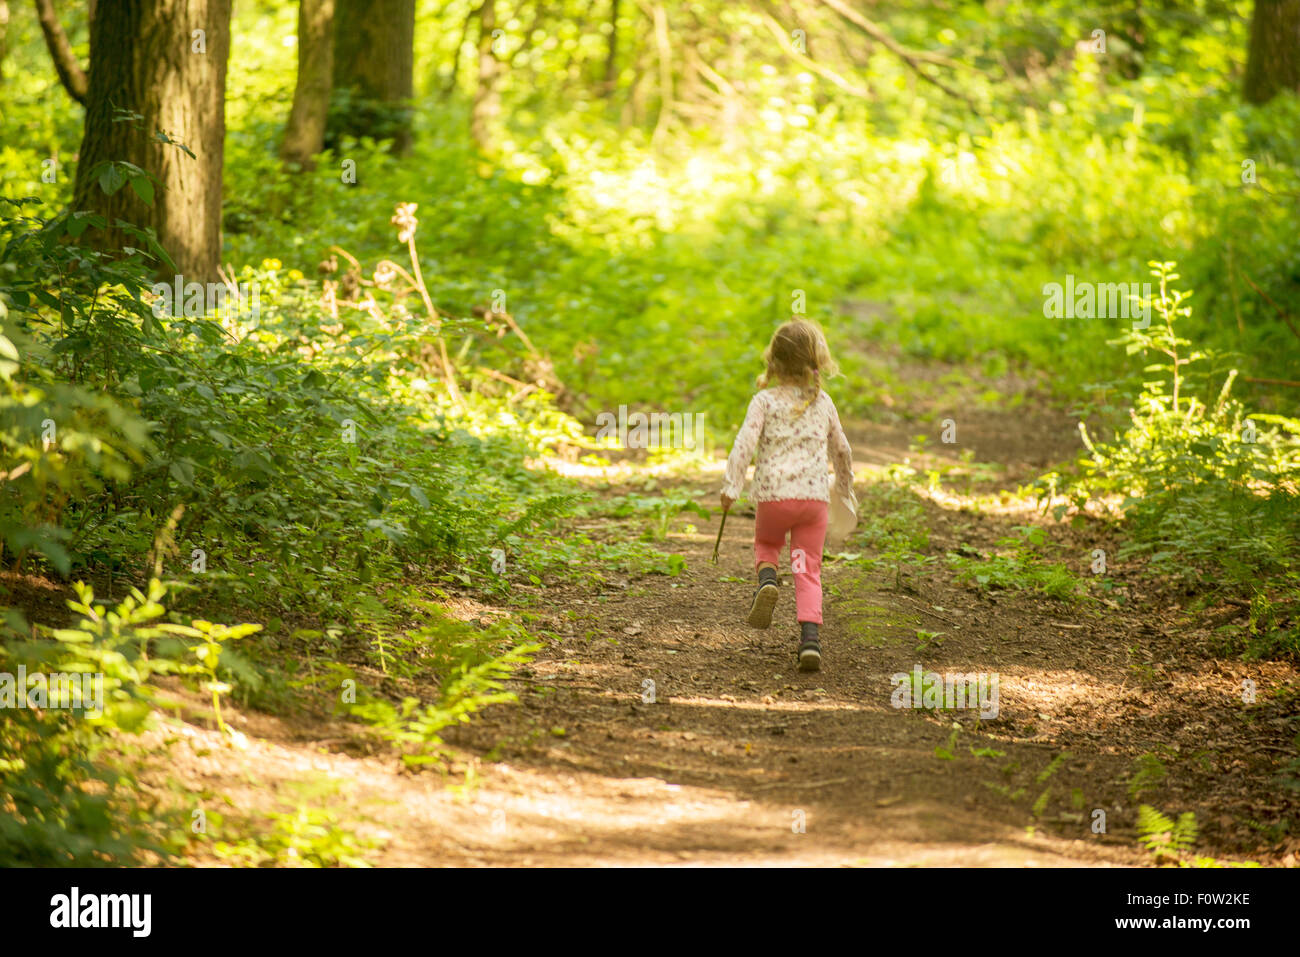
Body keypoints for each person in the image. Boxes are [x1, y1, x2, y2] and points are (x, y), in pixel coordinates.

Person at [720, 320, 855, 672]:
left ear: (774, 361)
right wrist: (845, 487)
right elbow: (842, 449)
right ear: (816, 363)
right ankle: (810, 641)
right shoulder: (823, 402)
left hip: (774, 498)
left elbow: (744, 444)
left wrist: (731, 486)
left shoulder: (764, 401)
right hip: (812, 501)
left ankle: (767, 580)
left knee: (767, 544)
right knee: (806, 566)